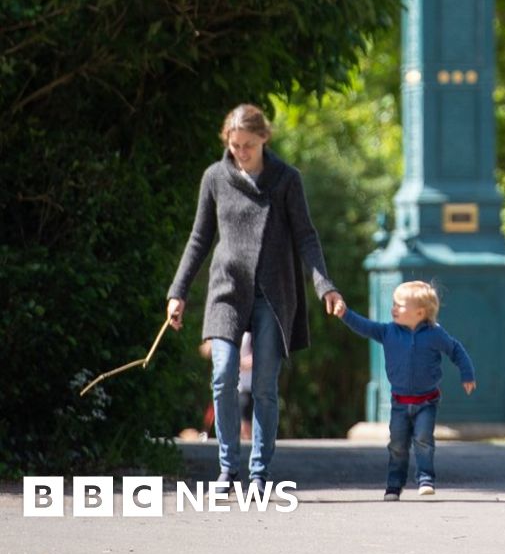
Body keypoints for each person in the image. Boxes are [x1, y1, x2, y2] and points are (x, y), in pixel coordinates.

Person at [166, 103, 345, 495]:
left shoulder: (286, 180)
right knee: (223, 375)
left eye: (248, 145)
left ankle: (259, 471)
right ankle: (228, 470)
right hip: (227, 290)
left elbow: (306, 238)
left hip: (272, 291)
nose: (241, 153)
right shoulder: (215, 177)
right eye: (234, 146)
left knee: (264, 385)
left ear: (264, 138)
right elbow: (199, 240)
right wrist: (177, 292)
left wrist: (324, 286)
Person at [336, 280, 476, 501]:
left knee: (423, 439)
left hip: (427, 401)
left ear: (420, 312)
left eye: (399, 305)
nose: (393, 308)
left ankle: (426, 479)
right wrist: (345, 314)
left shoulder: (434, 334)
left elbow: (455, 350)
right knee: (397, 445)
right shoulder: (388, 331)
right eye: (393, 303)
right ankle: (394, 484)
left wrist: (467, 374)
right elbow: (365, 326)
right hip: (399, 402)